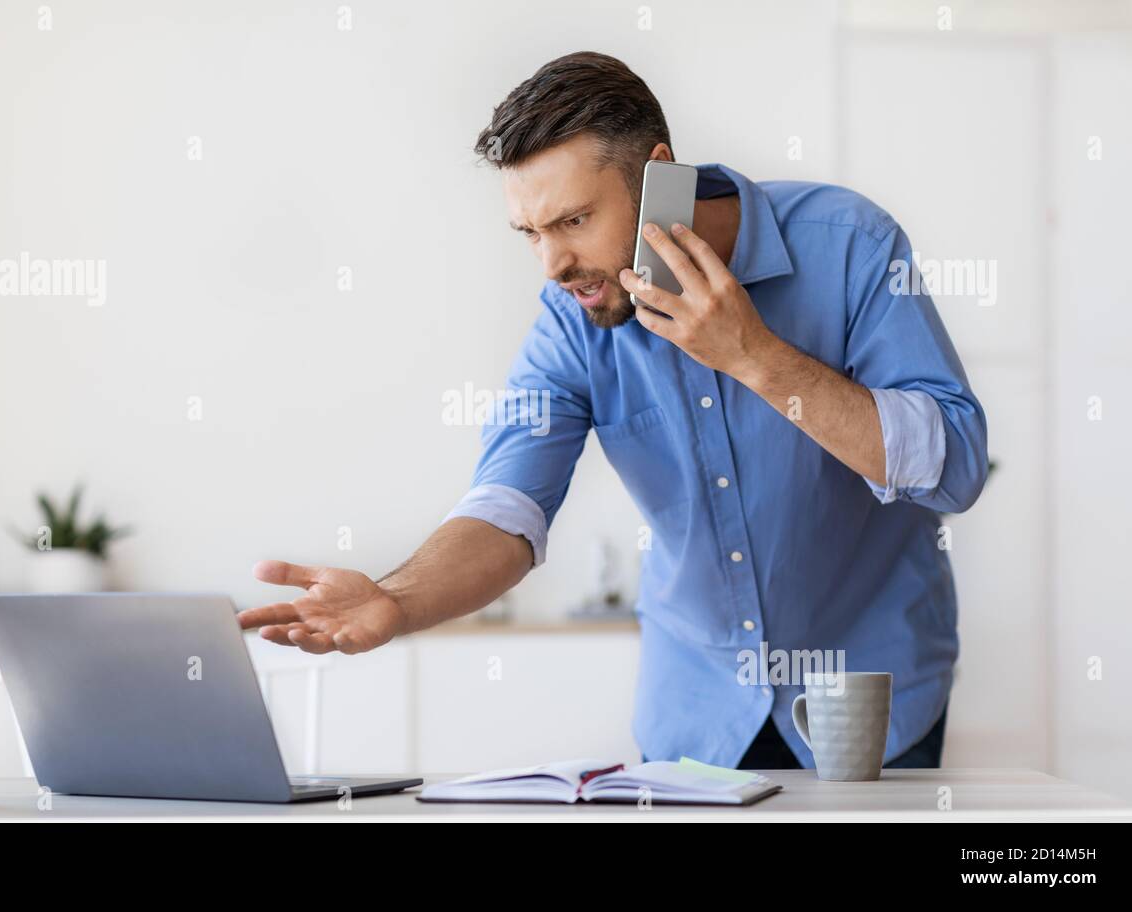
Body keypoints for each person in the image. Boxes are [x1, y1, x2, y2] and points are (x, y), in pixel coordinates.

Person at [239, 52, 987, 770]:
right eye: (530, 233)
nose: (552, 265)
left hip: (868, 703)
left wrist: (752, 354)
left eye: (571, 221)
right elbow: (508, 509)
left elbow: (954, 466)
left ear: (659, 175)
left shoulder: (849, 244)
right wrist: (394, 601)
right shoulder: (571, 320)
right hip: (697, 721)